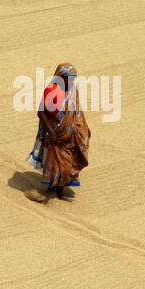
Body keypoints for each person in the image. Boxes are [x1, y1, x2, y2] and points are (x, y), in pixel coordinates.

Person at [26, 63, 90, 202]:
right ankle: (57, 191)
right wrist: (51, 132)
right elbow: (41, 113)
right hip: (56, 134)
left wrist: (81, 127)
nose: (72, 81)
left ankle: (57, 188)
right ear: (61, 78)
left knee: (68, 160)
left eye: (74, 78)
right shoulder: (53, 91)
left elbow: (76, 110)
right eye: (70, 78)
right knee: (60, 162)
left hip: (71, 134)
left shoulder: (73, 90)